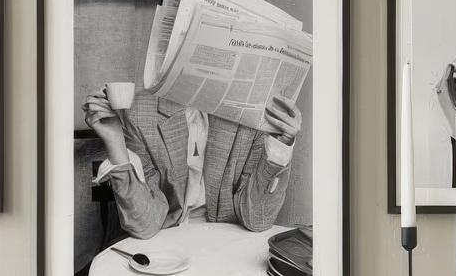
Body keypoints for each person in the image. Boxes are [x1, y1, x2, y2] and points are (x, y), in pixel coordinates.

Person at [83, 88, 303, 239]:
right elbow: (144, 225)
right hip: (168, 238)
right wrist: (114, 140)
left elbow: (257, 219)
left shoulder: (253, 114)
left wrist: (282, 146)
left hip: (228, 245)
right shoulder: (139, 111)